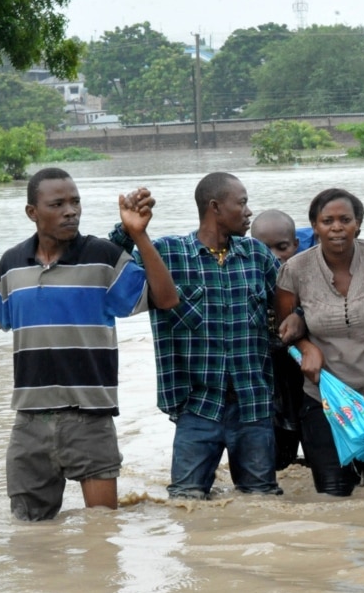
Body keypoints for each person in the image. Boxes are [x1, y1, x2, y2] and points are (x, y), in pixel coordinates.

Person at [0, 168, 178, 521]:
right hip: (30, 418)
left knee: (103, 529)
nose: (70, 211)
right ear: (33, 212)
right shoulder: (12, 264)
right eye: (57, 204)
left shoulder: (103, 258)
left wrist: (140, 236)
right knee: (29, 533)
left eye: (75, 202)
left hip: (90, 415)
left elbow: (165, 298)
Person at [109, 171, 282, 499]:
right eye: (242, 203)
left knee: (262, 501)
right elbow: (108, 264)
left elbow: (291, 303)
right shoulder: (167, 253)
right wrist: (129, 230)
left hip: (253, 404)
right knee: (186, 501)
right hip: (197, 407)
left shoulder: (257, 256)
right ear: (215, 207)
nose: (248, 212)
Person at [274, 189, 364, 496]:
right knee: (334, 499)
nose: (337, 227)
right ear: (315, 226)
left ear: (358, 224)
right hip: (326, 404)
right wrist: (306, 347)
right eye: (327, 220)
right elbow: (284, 331)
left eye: (345, 220)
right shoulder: (295, 270)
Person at [249, 210, 307, 471]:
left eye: (282, 247)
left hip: (307, 381)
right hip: (268, 388)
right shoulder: (246, 282)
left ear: (295, 245)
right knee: (276, 466)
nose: (273, 255)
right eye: (264, 248)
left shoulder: (310, 278)